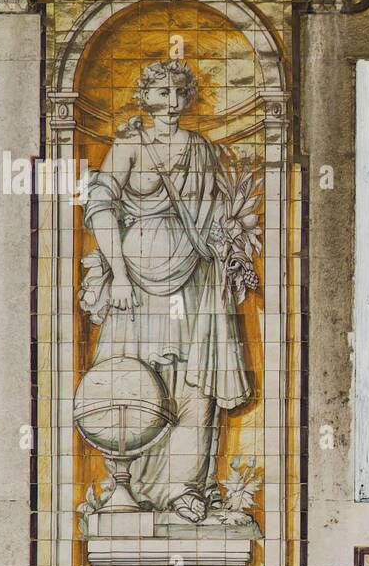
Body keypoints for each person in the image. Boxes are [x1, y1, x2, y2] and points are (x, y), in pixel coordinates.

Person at [78, 60, 250, 522]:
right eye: (161, 92)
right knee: (132, 374)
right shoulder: (130, 144)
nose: (171, 101)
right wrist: (118, 273)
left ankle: (185, 488)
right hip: (134, 279)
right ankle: (126, 484)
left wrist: (225, 251)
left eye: (179, 92)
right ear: (145, 96)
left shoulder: (200, 148)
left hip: (192, 275)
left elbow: (215, 211)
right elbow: (99, 207)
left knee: (193, 379)